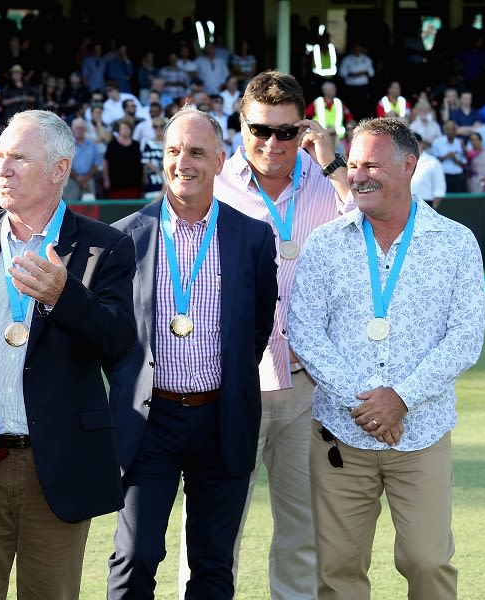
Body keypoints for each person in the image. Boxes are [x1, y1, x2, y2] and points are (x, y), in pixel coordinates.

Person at [0, 109, 136, 599]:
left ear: (60, 170)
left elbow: (119, 343)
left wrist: (66, 296)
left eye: (18, 157)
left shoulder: (106, 247)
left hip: (56, 467)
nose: (2, 168)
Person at [172, 69, 352, 600]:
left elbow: (373, 234)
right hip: (229, 385)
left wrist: (337, 165)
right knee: (209, 534)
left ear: (306, 129)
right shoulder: (211, 183)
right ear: (240, 126)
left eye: (287, 131)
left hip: (308, 385)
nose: (272, 143)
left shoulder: (329, 181)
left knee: (303, 536)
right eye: (259, 130)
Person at [288, 117, 485, 600]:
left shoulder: (455, 242)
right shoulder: (325, 242)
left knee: (427, 562)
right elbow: (304, 331)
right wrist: (369, 404)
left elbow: (465, 339)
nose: (357, 176)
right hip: (340, 434)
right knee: (338, 572)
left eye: (371, 165)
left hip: (420, 435)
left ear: (409, 167)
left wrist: (399, 399)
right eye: (352, 165)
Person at [106, 107, 278, 599]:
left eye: (197, 152)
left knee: (212, 562)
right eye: (174, 151)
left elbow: (257, 327)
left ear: (221, 160)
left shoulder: (252, 237)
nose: (184, 163)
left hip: (221, 417)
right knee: (135, 555)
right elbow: (112, 336)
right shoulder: (125, 237)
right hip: (149, 420)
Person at [430, 120, 468, 193]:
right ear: (444, 130)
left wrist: (455, 159)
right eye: (448, 129)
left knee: (458, 199)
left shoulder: (460, 143)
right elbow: (434, 162)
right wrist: (446, 156)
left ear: (455, 131)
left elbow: (464, 164)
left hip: (458, 175)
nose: (450, 131)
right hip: (443, 175)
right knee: (444, 199)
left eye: (452, 129)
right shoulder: (437, 142)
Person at [411, 132, 446, 206]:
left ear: (421, 144)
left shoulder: (433, 162)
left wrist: (434, 207)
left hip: (426, 202)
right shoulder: (401, 161)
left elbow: (440, 187)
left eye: (415, 143)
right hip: (405, 203)